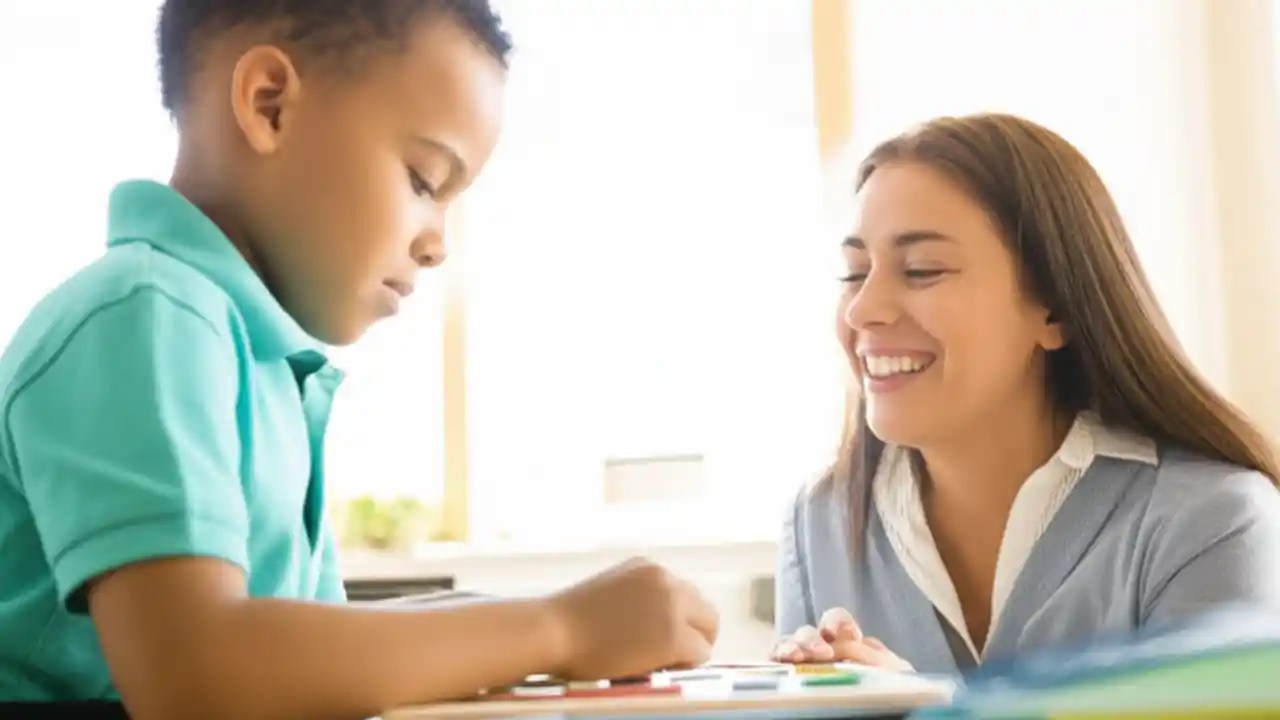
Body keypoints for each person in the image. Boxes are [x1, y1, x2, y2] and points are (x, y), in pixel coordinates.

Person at [0, 2, 717, 716]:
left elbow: (300, 649)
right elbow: (196, 671)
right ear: (269, 105)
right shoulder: (144, 316)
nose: (439, 244)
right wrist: (560, 628)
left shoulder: (256, 359)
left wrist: (568, 620)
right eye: (425, 181)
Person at [772, 113, 1280, 675]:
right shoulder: (817, 525)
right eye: (854, 273)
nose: (865, 308)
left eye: (922, 270)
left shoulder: (1211, 522)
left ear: (1056, 308)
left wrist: (935, 712)